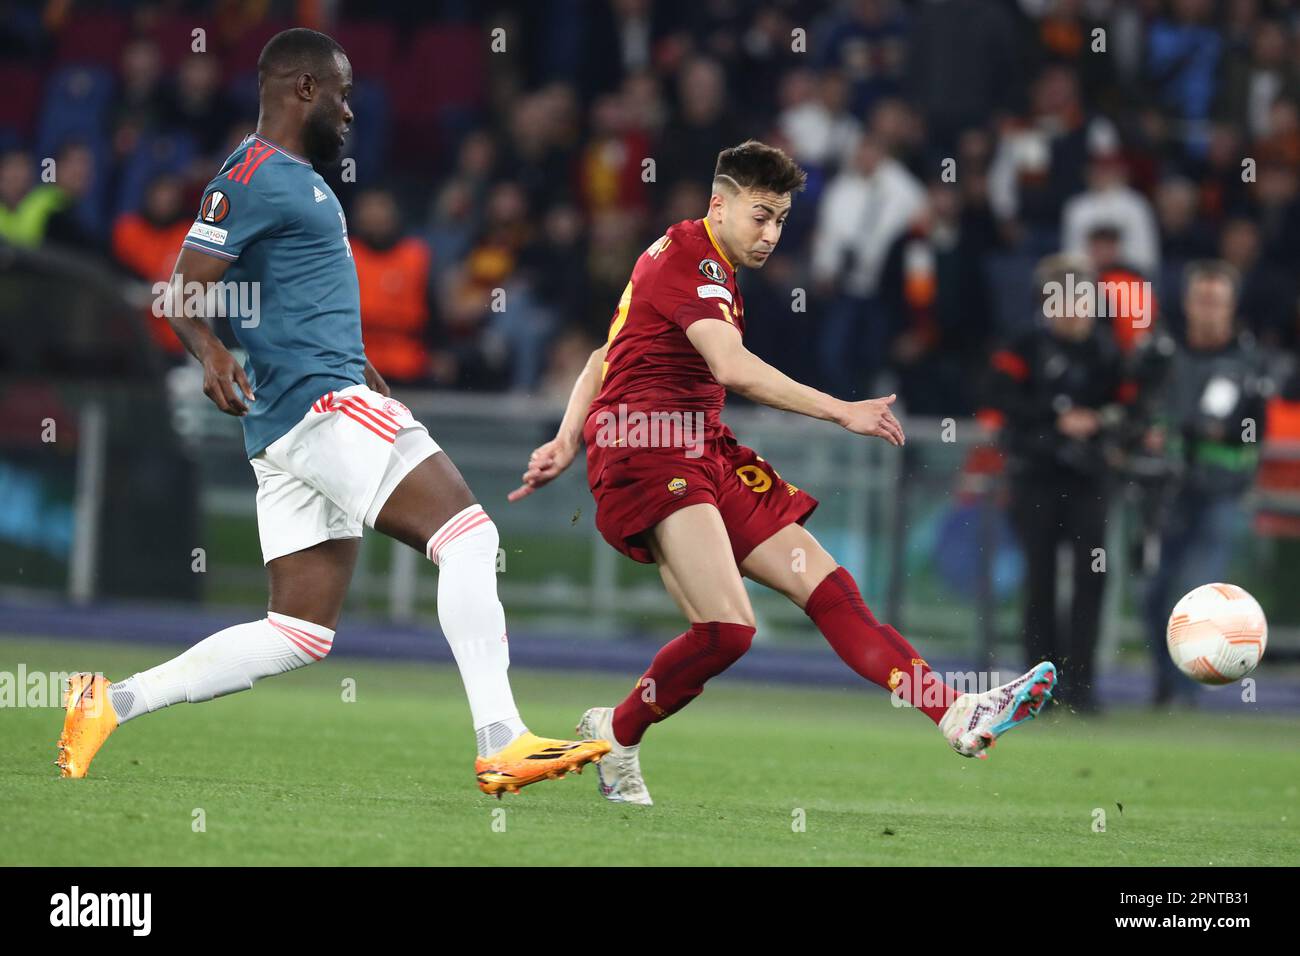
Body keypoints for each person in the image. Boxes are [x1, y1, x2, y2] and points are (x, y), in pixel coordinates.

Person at [55, 28, 608, 794]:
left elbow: (300, 303)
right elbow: (179, 289)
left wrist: (369, 372)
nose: (351, 110)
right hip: (318, 408)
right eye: (342, 93)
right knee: (471, 539)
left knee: (299, 632)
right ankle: (502, 738)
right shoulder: (250, 174)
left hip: (301, 417)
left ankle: (107, 703)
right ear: (303, 88)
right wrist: (213, 354)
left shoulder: (294, 180)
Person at [510, 141, 1057, 805]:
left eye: (781, 221)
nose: (770, 235)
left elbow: (605, 352)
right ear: (720, 204)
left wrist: (566, 437)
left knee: (828, 591)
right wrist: (841, 411)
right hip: (645, 452)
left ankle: (952, 711)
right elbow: (733, 369)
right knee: (731, 631)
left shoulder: (688, 255)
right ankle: (616, 732)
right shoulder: (691, 260)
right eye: (760, 216)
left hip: (701, 446)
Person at [985, 255, 1130, 714]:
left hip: (1089, 481)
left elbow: (1133, 410)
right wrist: (1056, 421)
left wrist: (1103, 424)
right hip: (1037, 479)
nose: (1073, 312)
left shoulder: (1109, 353)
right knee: (1040, 580)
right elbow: (1002, 407)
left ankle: (1083, 686)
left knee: (1092, 579)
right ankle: (1038, 686)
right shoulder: (1022, 348)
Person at [1143, 261, 1271, 704]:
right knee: (1154, 592)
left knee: (1198, 590)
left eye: (1217, 301)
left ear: (1231, 307)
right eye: (1201, 299)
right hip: (1168, 493)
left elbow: (1236, 427)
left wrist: (1182, 430)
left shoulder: (1248, 363)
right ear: (1187, 303)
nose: (1208, 310)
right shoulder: (1164, 356)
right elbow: (1151, 412)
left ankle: (1185, 695)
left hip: (1221, 493)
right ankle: (1165, 688)